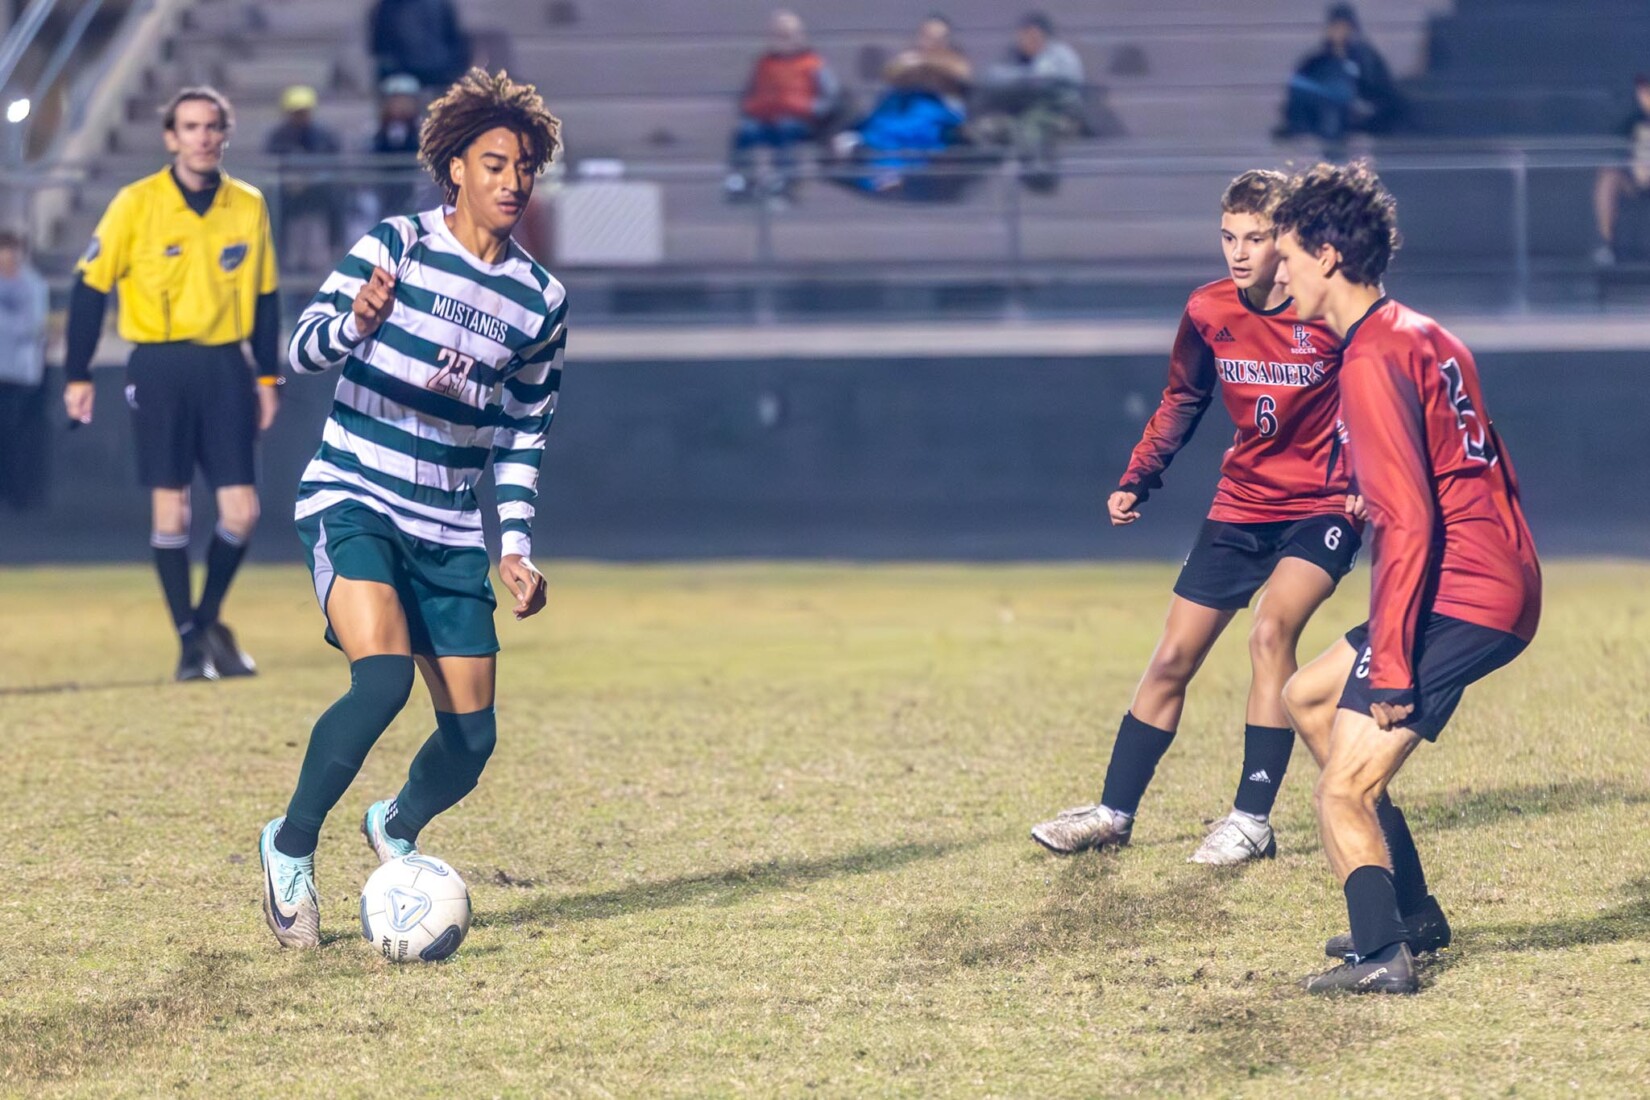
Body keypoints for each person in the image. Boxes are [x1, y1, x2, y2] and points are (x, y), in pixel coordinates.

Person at [258, 68, 567, 950]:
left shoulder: (542, 303)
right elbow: (303, 346)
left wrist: (514, 546)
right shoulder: (394, 245)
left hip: (446, 529)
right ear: (455, 170)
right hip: (355, 495)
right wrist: (356, 321)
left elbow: (522, 435)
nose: (513, 181)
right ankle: (289, 847)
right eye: (496, 163)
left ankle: (392, 824)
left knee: (471, 742)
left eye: (525, 169)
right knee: (382, 677)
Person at [1030, 170, 1362, 865]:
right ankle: (1113, 813)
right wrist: (1138, 476)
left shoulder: (1329, 313)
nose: (1239, 252)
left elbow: (1378, 399)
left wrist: (1367, 478)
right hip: (1242, 500)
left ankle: (1251, 820)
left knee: (1271, 633)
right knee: (1174, 654)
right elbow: (1183, 397)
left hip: (1324, 504)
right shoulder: (1209, 309)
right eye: (1228, 237)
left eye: (1256, 237)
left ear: (1287, 240)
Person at [1272, 162, 1541, 994]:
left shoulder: (1369, 360)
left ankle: (1383, 957)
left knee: (1341, 793)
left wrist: (1390, 665)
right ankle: (1412, 916)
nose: (1278, 274)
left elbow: (1412, 524)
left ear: (1325, 257)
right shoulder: (1426, 334)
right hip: (1493, 575)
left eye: (1285, 257)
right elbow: (1474, 466)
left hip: (1462, 595)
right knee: (1308, 699)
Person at [64, 86, 281, 682]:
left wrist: (268, 376)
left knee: (243, 511)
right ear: (171, 137)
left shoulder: (248, 205)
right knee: (173, 508)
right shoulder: (136, 204)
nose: (203, 137)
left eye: (212, 126)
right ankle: (190, 647)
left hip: (226, 369)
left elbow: (266, 297)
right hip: (159, 368)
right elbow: (89, 287)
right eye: (190, 126)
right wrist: (77, 373)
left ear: (225, 134)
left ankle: (204, 619)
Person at [833, 14, 974, 197]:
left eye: (937, 37)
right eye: (927, 35)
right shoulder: (909, 57)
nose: (931, 41)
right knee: (882, 122)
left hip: (935, 110)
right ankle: (863, 152)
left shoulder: (954, 60)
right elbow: (892, 74)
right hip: (903, 103)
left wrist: (928, 64)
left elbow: (961, 79)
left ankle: (889, 172)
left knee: (911, 129)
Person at [724, 10, 842, 203]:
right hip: (765, 119)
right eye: (779, 35)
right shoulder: (764, 63)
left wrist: (813, 109)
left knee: (786, 128)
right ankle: (740, 180)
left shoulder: (812, 63)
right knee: (744, 131)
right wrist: (749, 108)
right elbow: (748, 92)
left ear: (799, 36)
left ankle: (784, 181)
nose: (784, 40)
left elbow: (831, 95)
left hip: (799, 123)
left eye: (788, 35)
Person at [972, 13, 1087, 189]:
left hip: (1059, 117)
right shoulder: (1011, 56)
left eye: (1034, 36)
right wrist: (1023, 81)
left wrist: (1029, 83)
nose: (1028, 41)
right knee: (989, 127)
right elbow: (993, 79)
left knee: (1033, 119)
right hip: (1018, 117)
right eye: (1024, 36)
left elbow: (1063, 84)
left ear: (1045, 37)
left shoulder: (1060, 56)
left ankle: (1038, 165)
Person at [1274, 4, 1404, 147]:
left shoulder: (1368, 59)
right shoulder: (1317, 61)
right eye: (1335, 27)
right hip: (1322, 132)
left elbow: (1383, 96)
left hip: (1359, 129)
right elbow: (1298, 92)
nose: (1339, 32)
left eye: (1344, 27)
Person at [265, 85, 344, 270]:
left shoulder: (324, 135)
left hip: (317, 189)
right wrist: (291, 180)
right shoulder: (278, 136)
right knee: (272, 203)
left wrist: (311, 179)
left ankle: (337, 250)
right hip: (288, 191)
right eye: (296, 112)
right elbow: (272, 165)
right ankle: (277, 255)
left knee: (337, 197)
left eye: (304, 112)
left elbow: (334, 164)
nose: (300, 117)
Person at [0, 229, 50, 511]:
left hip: (20, 376)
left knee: (17, 439)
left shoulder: (32, 284)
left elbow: (33, 326)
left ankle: (18, 497)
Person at [1591, 75, 1650, 266]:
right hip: (1636, 181)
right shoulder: (1631, 122)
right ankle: (1608, 246)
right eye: (1643, 91)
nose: (1646, 96)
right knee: (1608, 177)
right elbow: (1614, 150)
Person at [369, 0, 471, 91]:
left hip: (438, 74)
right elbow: (380, 45)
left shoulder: (440, 5)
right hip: (406, 78)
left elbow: (455, 40)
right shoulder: (388, 7)